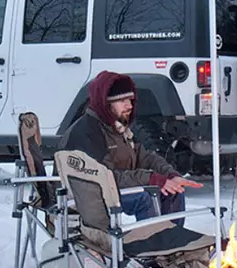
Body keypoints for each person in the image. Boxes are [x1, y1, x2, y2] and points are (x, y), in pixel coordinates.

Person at [60, 70, 202, 221]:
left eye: (131, 100)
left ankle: (172, 239)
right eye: (122, 101)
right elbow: (107, 178)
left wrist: (171, 175)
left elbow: (146, 157)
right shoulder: (87, 132)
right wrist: (152, 178)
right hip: (85, 196)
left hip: (109, 188)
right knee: (144, 198)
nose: (129, 106)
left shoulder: (116, 126)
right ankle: (152, 241)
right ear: (106, 103)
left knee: (173, 190)